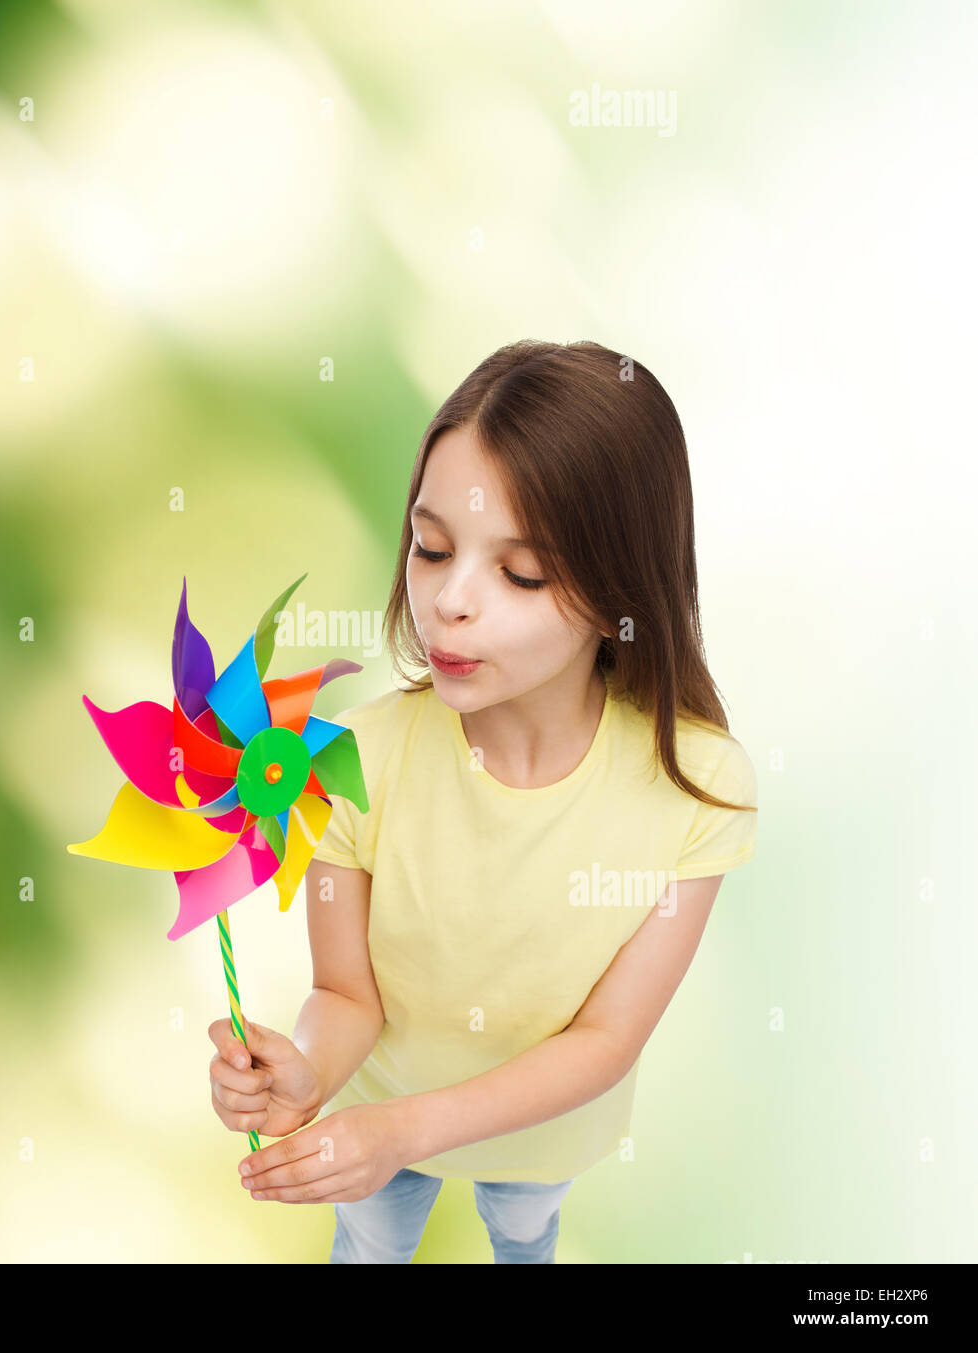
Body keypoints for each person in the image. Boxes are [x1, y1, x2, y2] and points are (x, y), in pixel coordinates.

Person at [207, 339, 758, 1262]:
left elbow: (606, 1038)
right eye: (430, 548)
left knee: (524, 1225)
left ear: (620, 588)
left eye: (522, 571)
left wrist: (405, 1130)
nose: (449, 600)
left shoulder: (698, 788)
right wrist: (304, 1072)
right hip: (378, 1111)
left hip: (543, 1129)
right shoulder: (349, 760)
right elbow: (347, 993)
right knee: (372, 1241)